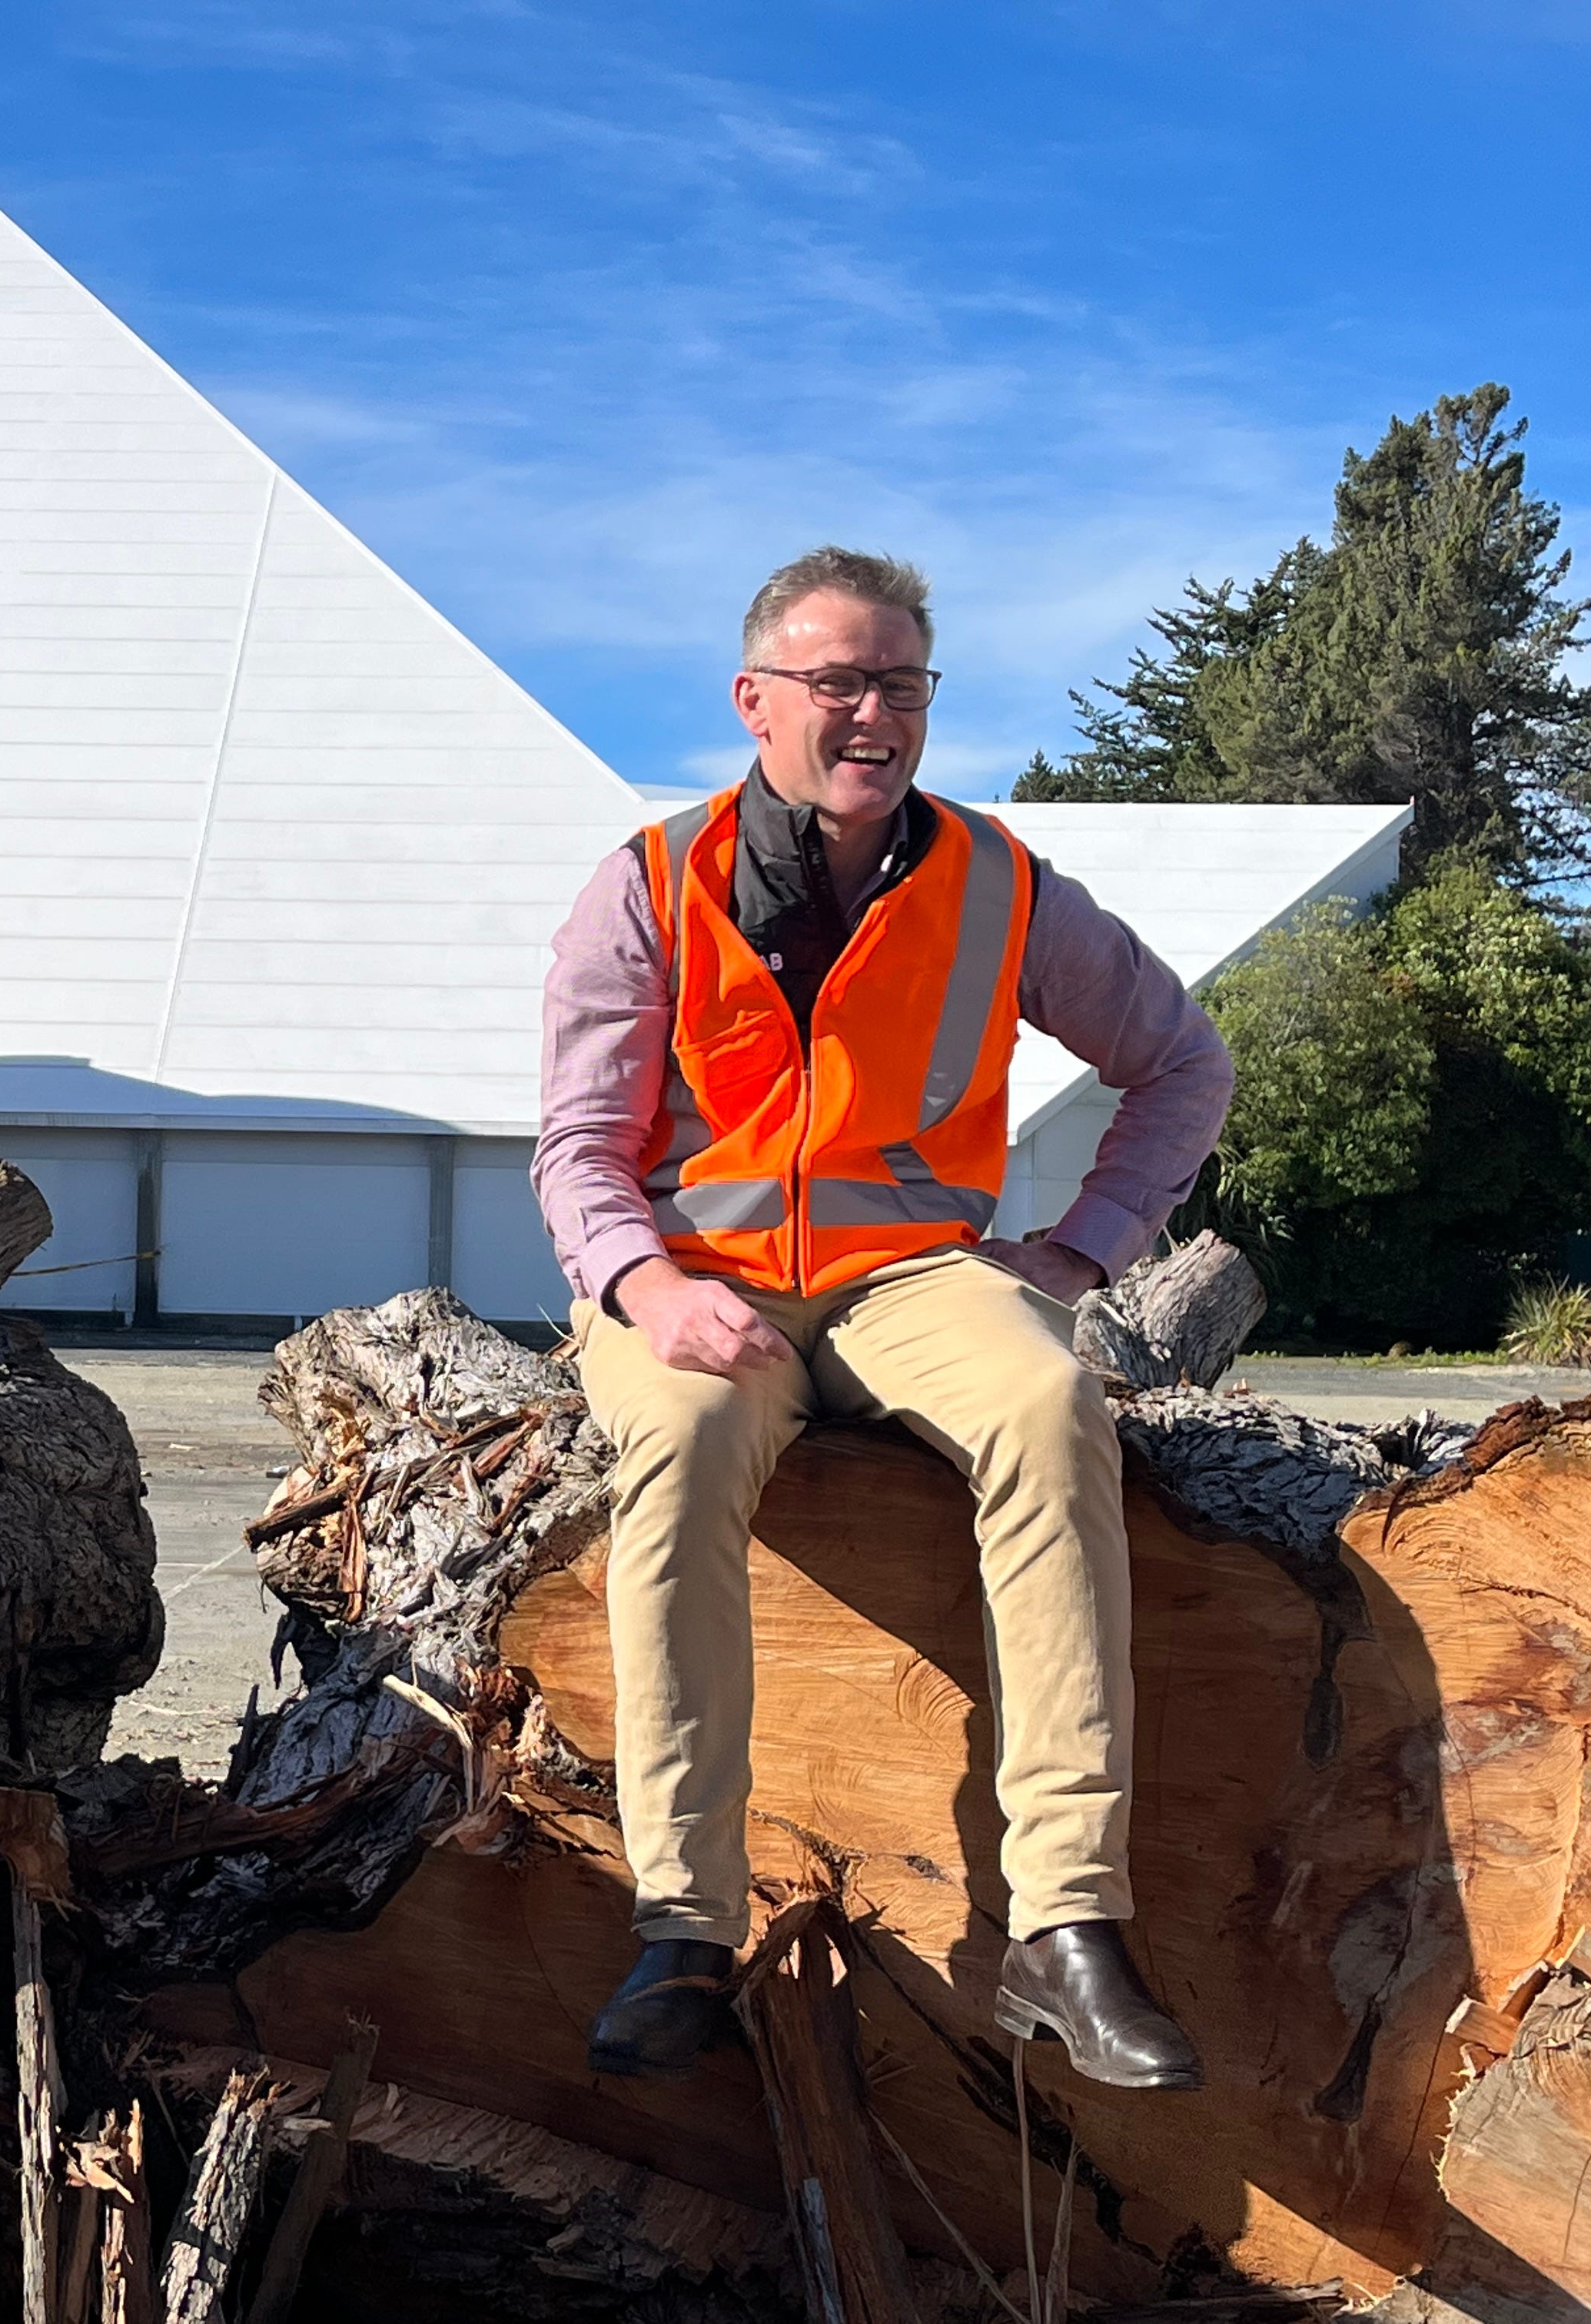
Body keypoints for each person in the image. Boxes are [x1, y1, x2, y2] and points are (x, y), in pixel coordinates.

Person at [533, 547, 1235, 2089]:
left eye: (901, 686)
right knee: (684, 1449)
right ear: (756, 699)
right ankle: (682, 1929)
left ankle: (1065, 1925)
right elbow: (580, 1150)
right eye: (838, 683)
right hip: (691, 1279)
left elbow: (1183, 1061)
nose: (873, 715)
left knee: (1055, 1409)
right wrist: (648, 1289)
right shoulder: (649, 885)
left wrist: (1085, 1251)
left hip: (915, 1278)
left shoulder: (998, 883)